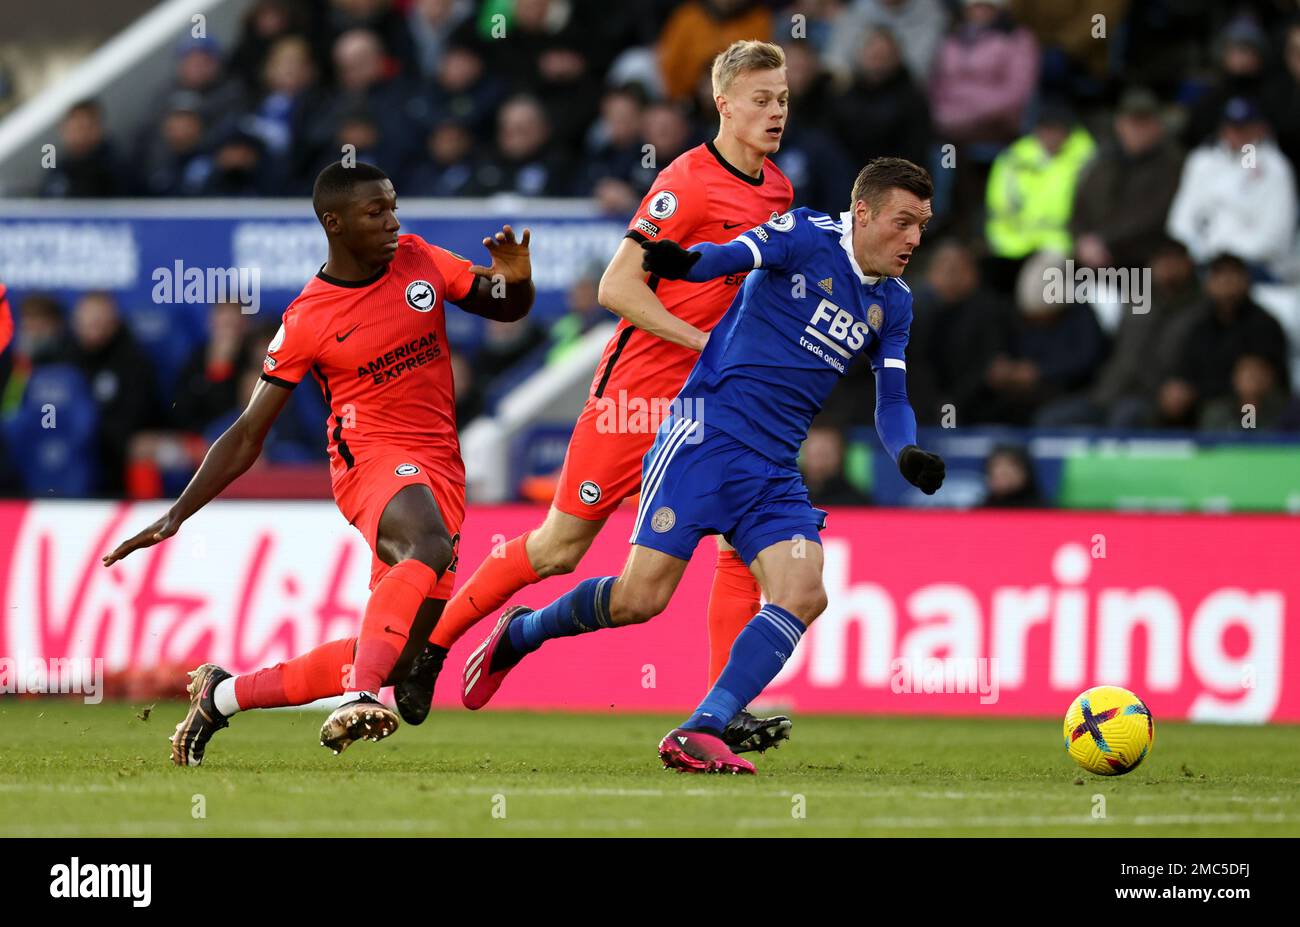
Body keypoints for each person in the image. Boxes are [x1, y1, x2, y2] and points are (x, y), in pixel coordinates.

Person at [460, 158, 945, 774]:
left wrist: (905, 450)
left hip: (772, 468)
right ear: (867, 213)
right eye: (903, 223)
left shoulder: (895, 304)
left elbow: (893, 399)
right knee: (640, 600)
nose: (914, 240)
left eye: (922, 226)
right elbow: (734, 256)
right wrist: (686, 263)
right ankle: (522, 633)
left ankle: (701, 727)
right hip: (704, 440)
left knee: (803, 591)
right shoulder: (806, 235)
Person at [395, 40, 796, 756]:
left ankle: (718, 713)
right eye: (761, 99)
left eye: (784, 98)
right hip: (636, 398)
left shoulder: (778, 193)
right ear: (724, 103)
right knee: (558, 548)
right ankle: (436, 643)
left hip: (712, 410)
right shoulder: (687, 185)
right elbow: (617, 286)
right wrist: (702, 342)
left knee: (741, 545)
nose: (775, 112)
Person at [101, 161, 535, 766]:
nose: (392, 222)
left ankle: (221, 696)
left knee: (401, 654)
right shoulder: (308, 319)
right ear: (333, 222)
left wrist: (517, 280)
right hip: (370, 461)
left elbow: (506, 307)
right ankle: (359, 695)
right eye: (375, 212)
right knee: (427, 548)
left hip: (442, 464)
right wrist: (176, 513)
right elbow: (250, 431)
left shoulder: (418, 257)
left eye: (392, 207)